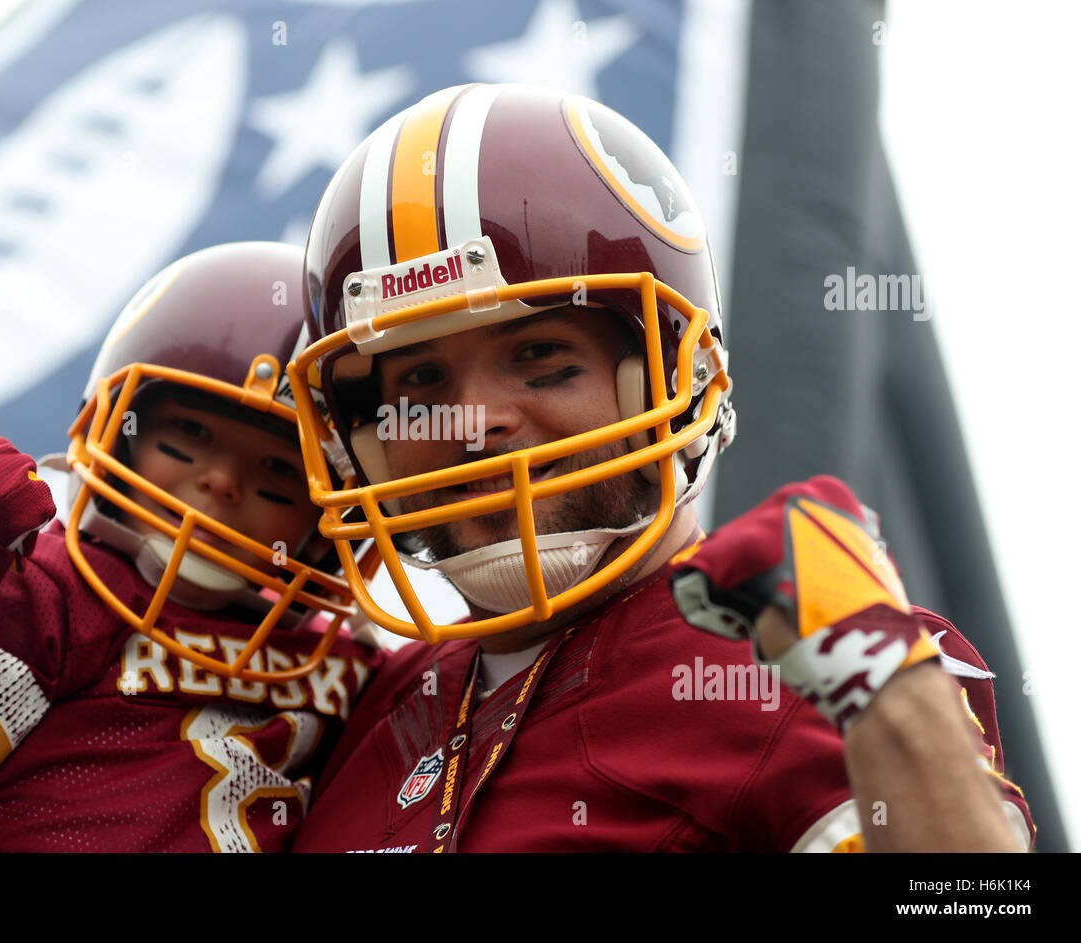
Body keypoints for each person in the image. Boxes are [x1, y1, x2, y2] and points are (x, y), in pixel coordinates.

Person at [284, 84, 1033, 852]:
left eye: (540, 356)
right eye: (420, 382)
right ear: (362, 439)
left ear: (673, 378)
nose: (473, 421)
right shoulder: (357, 707)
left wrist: (892, 698)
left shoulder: (790, 668)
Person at [0, 242, 380, 852]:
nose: (222, 480)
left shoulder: (344, 661)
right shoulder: (57, 594)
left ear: (330, 511)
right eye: (187, 436)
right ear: (115, 434)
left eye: (278, 469)